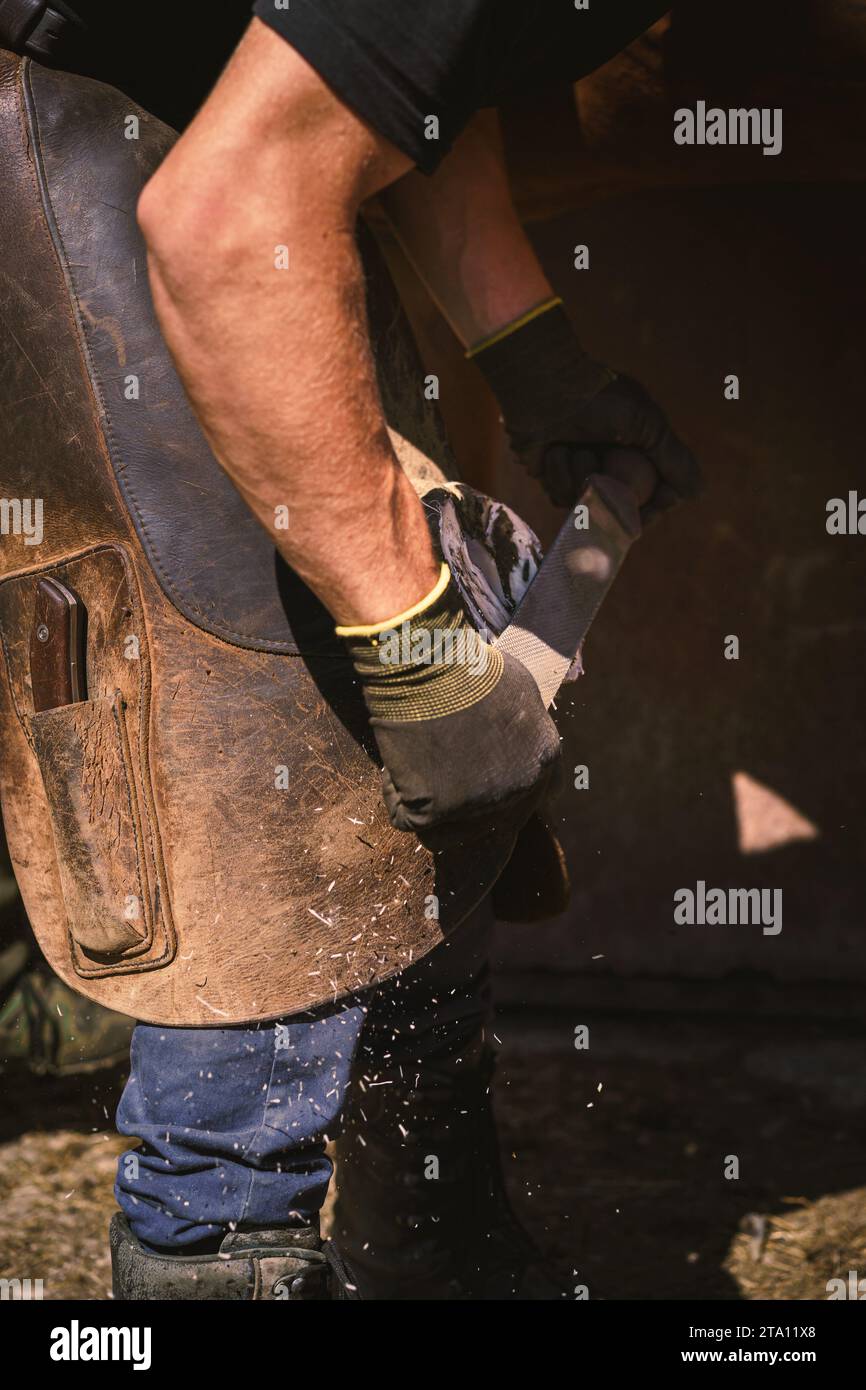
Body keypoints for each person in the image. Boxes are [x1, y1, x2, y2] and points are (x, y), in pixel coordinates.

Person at [2, 1, 700, 1297]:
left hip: (246, 157)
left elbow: (394, 86)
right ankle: (216, 1247)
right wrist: (411, 642)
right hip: (113, 151)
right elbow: (221, 216)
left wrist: (529, 354)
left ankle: (422, 1216)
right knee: (278, 693)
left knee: (420, 666)